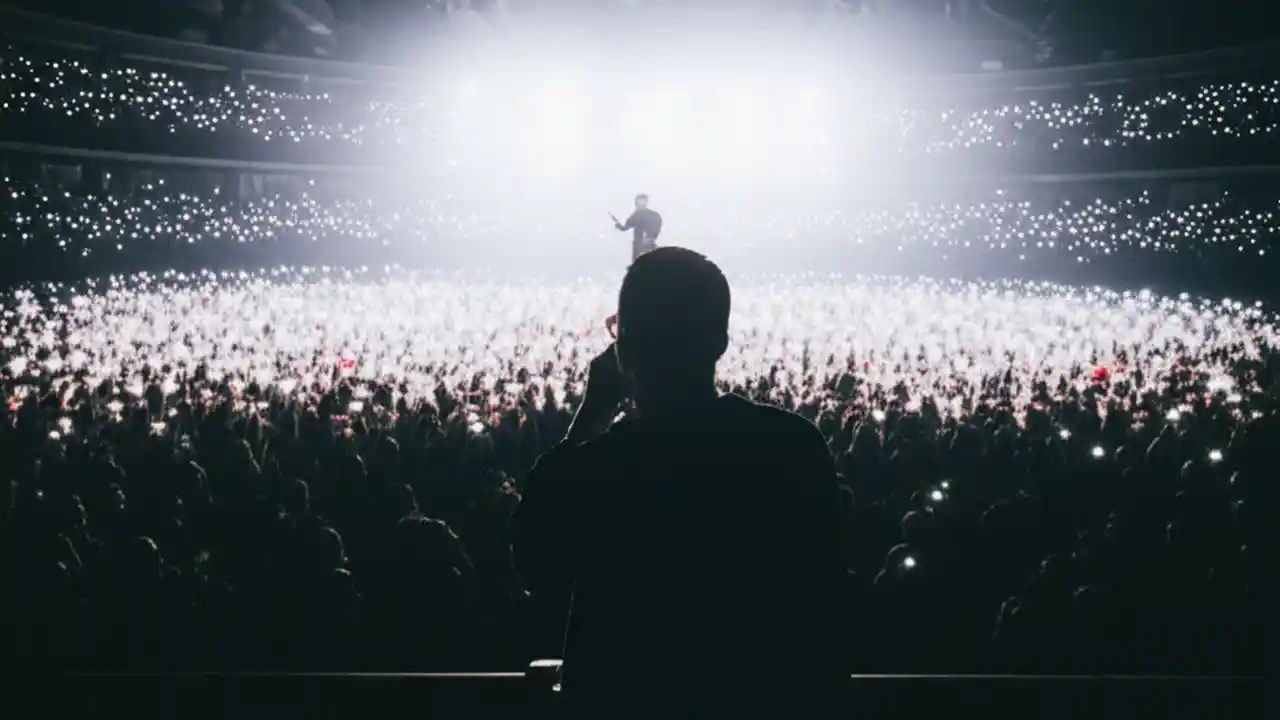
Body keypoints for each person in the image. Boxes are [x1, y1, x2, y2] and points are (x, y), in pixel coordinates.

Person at [514, 247, 844, 719]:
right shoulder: (793, 446)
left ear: (623, 347)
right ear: (719, 340)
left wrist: (590, 418)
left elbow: (534, 561)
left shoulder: (606, 463)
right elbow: (824, 609)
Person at [613, 193, 663, 262]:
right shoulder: (636, 215)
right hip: (639, 245)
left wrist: (651, 237)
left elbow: (657, 227)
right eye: (639, 202)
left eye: (642, 201)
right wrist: (618, 225)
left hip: (646, 245)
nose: (640, 204)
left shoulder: (652, 215)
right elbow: (625, 227)